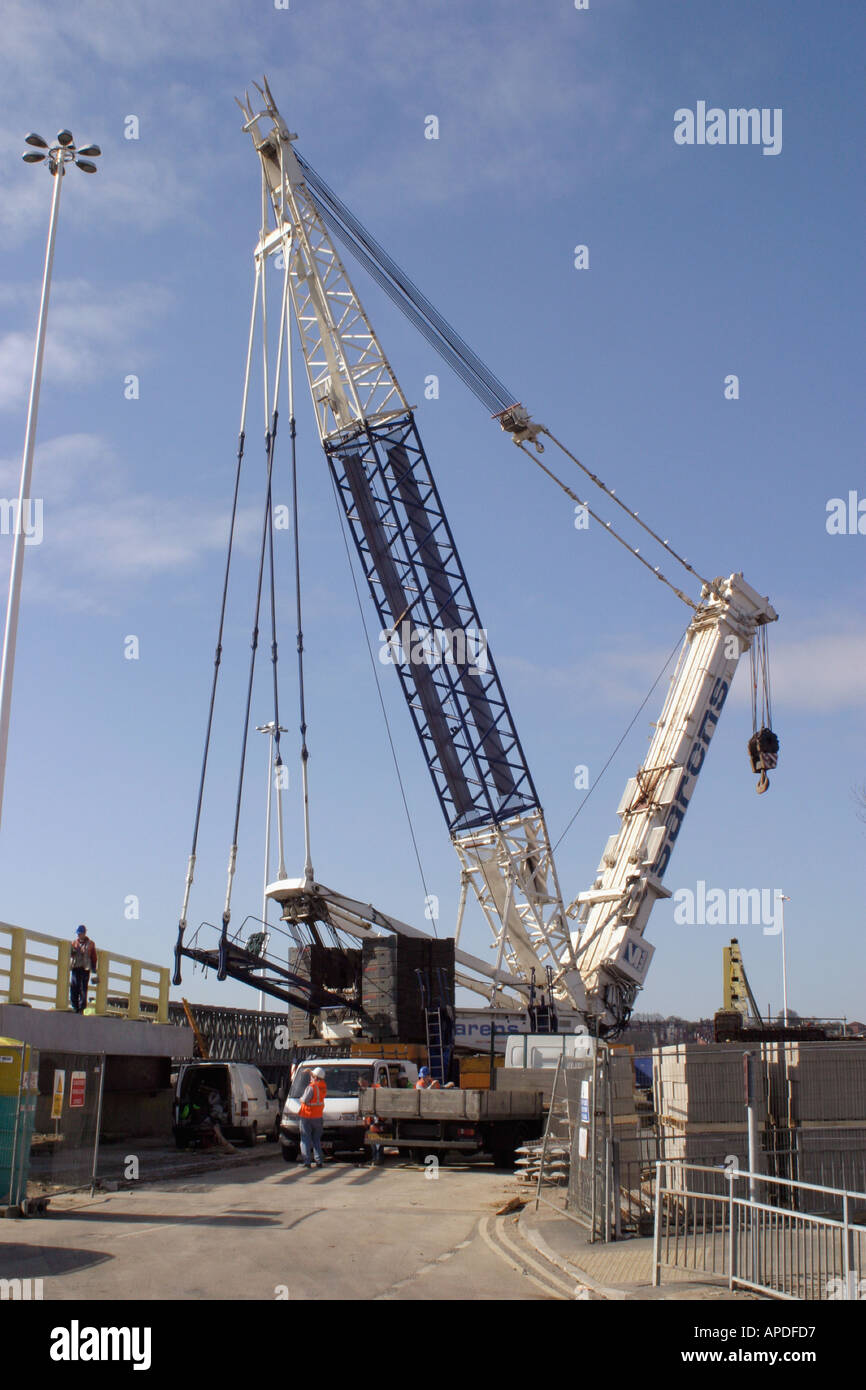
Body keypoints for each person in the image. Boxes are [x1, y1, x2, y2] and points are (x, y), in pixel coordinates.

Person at [298, 1066, 327, 1168]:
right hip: (318, 1117)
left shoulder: (311, 1087)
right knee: (316, 1139)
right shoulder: (323, 1086)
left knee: (305, 1139)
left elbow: (305, 1100)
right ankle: (319, 1161)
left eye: (312, 1075)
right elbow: (316, 1077)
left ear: (315, 1077)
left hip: (307, 1116)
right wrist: (310, 1071)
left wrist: (301, 1099)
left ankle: (307, 1162)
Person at [69, 925, 97, 1014]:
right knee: (74, 987)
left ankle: (81, 1008)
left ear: (84, 933)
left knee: (83, 988)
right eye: (78, 934)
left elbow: (94, 956)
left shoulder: (90, 944)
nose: (78, 935)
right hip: (76, 967)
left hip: (85, 968)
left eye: (80, 934)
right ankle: (75, 1007)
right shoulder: (74, 943)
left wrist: (93, 967)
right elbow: (70, 954)